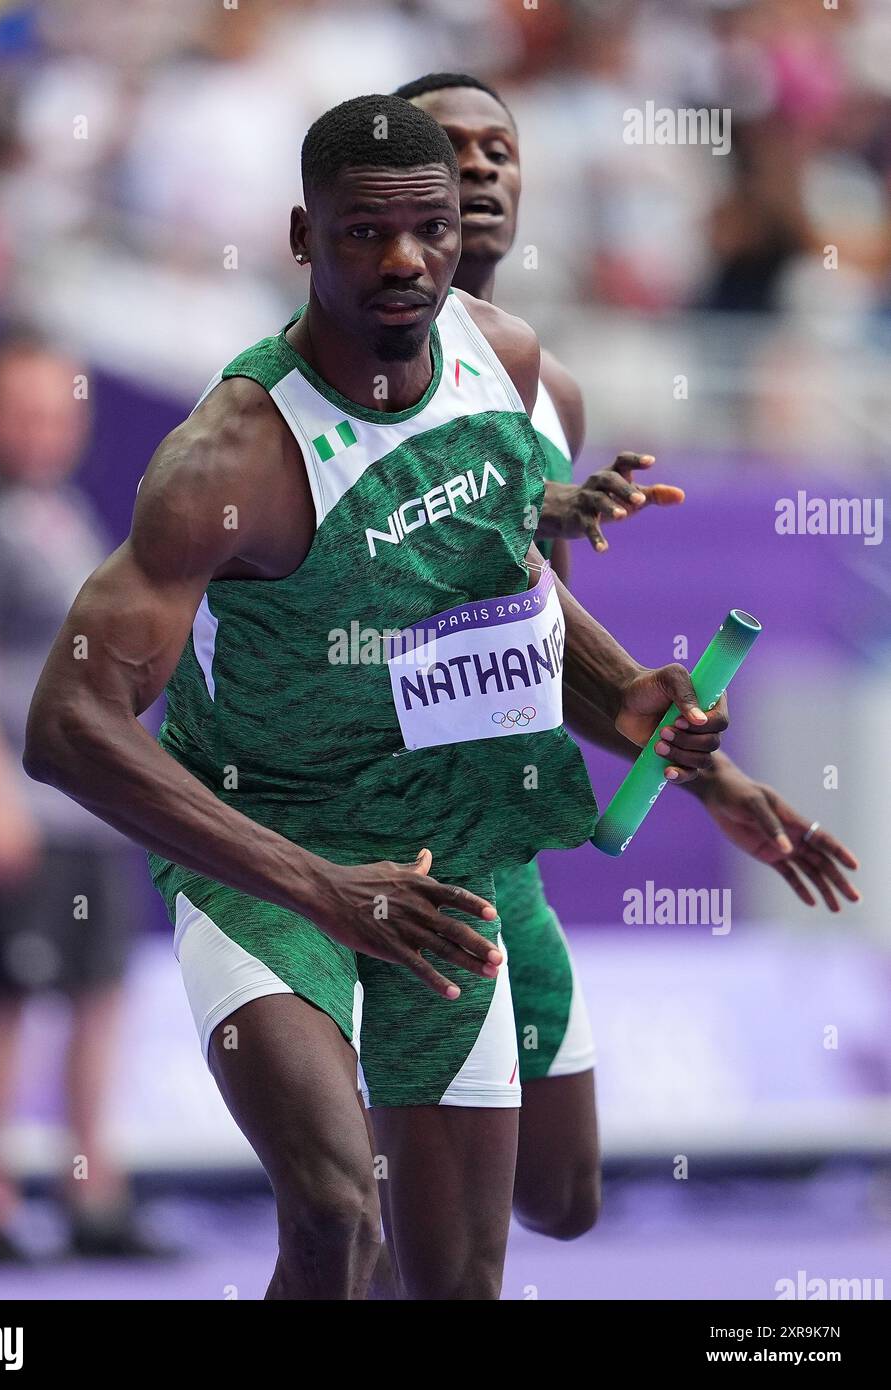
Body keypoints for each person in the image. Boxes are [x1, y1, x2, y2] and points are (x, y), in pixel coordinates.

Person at [24, 95, 734, 1301]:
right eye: (363, 234)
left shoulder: (498, 363)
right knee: (337, 1209)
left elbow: (506, 596)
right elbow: (65, 726)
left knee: (458, 1278)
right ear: (304, 236)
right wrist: (318, 886)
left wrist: (620, 700)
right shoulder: (230, 458)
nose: (404, 260)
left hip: (437, 865)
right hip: (271, 859)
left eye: (431, 230)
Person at [396, 72, 862, 1246]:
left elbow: (547, 642)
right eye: (450, 148)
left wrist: (712, 784)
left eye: (499, 146)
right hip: (365, 834)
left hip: (497, 838)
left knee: (559, 1195)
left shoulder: (549, 386)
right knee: (376, 1220)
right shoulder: (349, 372)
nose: (485, 167)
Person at [0, 333, 160, 1260]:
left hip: (83, 804)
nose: (46, 429)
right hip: (12, 802)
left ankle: (95, 1196)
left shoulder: (53, 509)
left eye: (61, 411)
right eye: (26, 410)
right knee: (11, 993)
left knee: (97, 991)